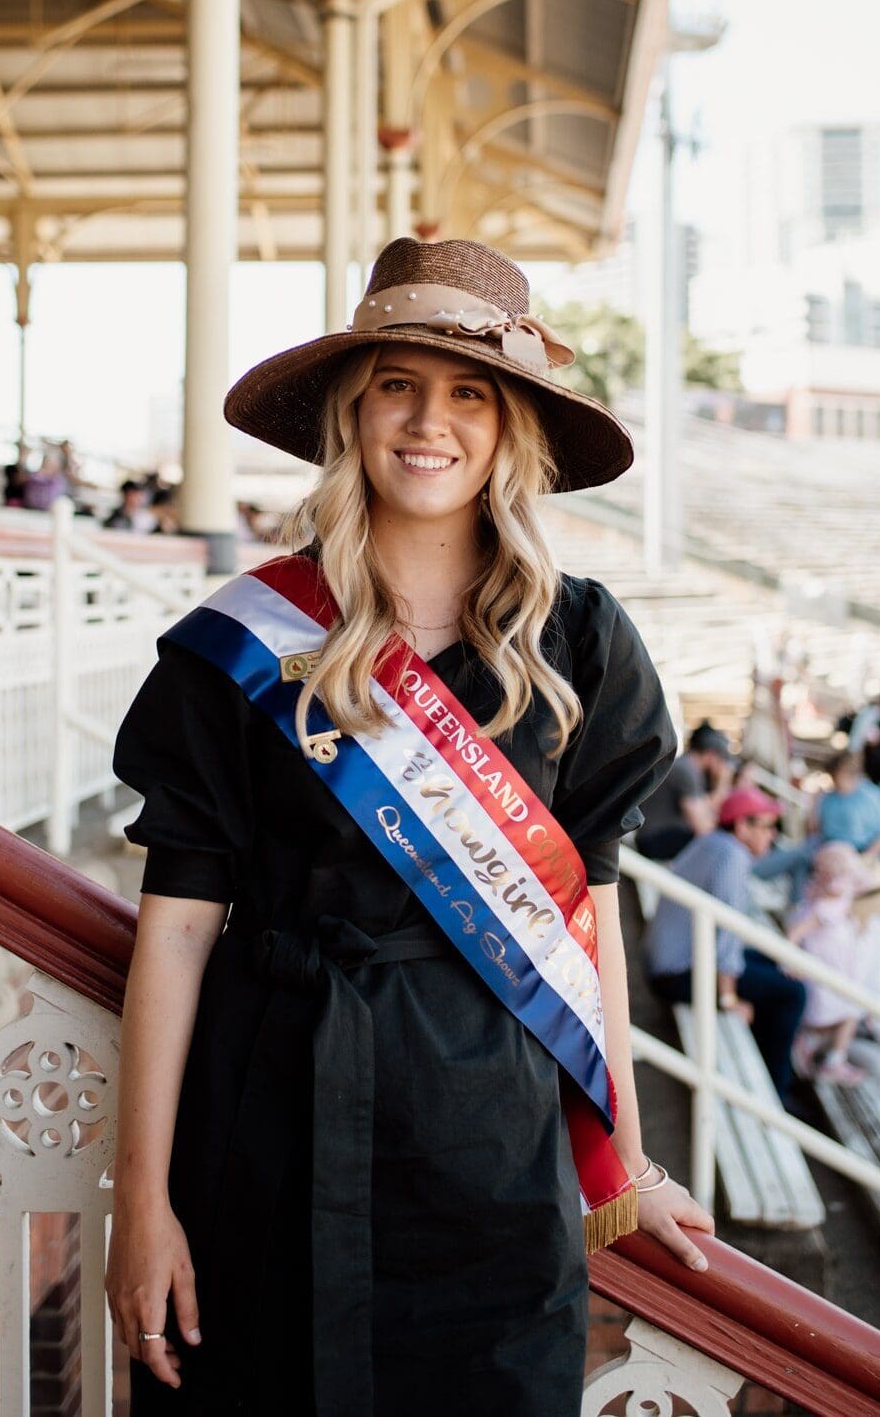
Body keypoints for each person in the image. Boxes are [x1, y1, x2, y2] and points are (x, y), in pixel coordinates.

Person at [107, 237, 714, 1414]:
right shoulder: (241, 647)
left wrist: (623, 1165)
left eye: (468, 392)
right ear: (352, 410)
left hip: (485, 1150)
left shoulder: (579, 648)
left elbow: (583, 924)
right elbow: (176, 932)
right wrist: (143, 1201)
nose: (428, 420)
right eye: (397, 382)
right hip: (265, 1120)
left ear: (509, 430)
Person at [643, 786, 807, 1104]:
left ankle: (779, 1071)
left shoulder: (714, 843)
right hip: (676, 975)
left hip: (671, 962)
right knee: (792, 994)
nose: (772, 836)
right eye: (765, 826)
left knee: (775, 968)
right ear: (742, 826)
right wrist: (728, 999)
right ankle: (777, 1094)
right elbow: (726, 941)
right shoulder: (732, 855)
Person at [787, 843, 880, 1084]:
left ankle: (813, 1048)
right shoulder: (822, 908)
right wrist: (789, 958)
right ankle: (831, 1061)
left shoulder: (836, 901)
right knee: (847, 1012)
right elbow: (795, 933)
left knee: (845, 1012)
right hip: (824, 974)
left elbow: (864, 882)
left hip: (837, 971)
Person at [635, 720, 735, 860]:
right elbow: (703, 828)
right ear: (711, 755)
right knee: (717, 846)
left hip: (655, 837)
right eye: (721, 759)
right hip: (653, 840)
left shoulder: (688, 768)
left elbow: (704, 811)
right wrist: (724, 782)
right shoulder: (686, 770)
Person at [815, 751, 880, 858]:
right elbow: (816, 831)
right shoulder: (828, 797)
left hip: (861, 853)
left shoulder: (870, 795)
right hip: (831, 851)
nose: (835, 782)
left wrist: (866, 857)